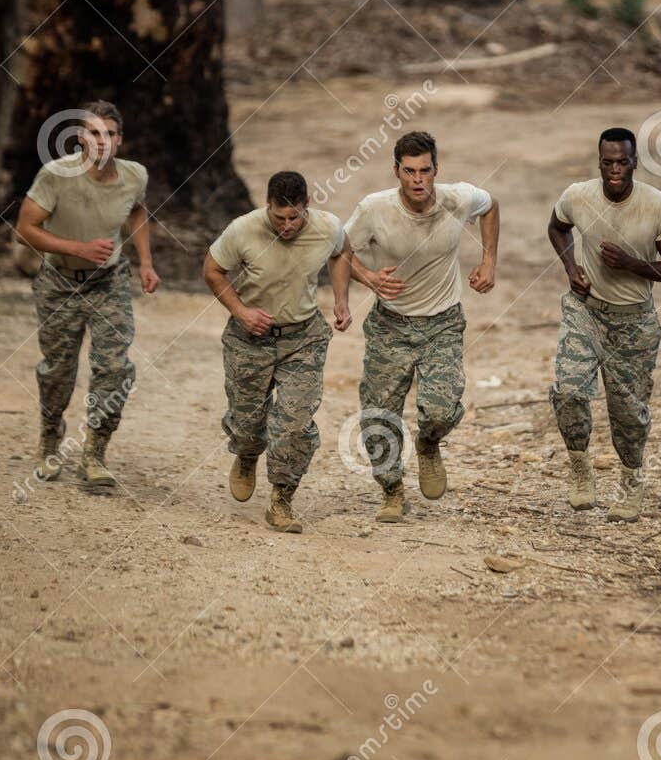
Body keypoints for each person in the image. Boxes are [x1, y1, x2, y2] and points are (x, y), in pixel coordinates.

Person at [344, 131, 499, 523]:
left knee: (441, 410)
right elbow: (338, 249)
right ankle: (392, 492)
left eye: (425, 171)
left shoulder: (457, 199)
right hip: (390, 325)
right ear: (396, 171)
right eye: (409, 171)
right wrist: (368, 278)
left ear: (436, 170)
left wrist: (488, 260)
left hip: (442, 323)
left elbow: (491, 205)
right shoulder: (373, 208)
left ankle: (428, 443)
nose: (418, 179)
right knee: (378, 416)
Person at [15, 101, 158, 488]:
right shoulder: (56, 175)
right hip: (59, 282)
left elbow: (137, 211)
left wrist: (146, 262)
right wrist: (77, 248)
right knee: (58, 370)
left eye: (110, 134)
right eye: (94, 133)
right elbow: (25, 229)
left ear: (120, 140)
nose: (102, 141)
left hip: (109, 281)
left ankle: (94, 452)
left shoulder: (134, 175)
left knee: (114, 368)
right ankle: (50, 435)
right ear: (80, 138)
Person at [546, 127, 661, 521]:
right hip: (585, 310)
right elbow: (557, 226)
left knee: (628, 412)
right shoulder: (578, 196)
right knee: (569, 390)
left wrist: (632, 264)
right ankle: (580, 467)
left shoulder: (659, 206)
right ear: (599, 162)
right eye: (607, 163)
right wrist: (571, 267)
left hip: (634, 320)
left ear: (635, 162)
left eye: (622, 162)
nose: (615, 170)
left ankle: (629, 481)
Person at [204, 171, 352, 533]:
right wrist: (241, 311)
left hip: (303, 338)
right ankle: (247, 452)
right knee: (248, 422)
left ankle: (282, 499)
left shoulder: (327, 227)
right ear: (267, 205)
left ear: (307, 206)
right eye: (279, 217)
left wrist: (341, 301)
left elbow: (343, 253)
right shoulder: (243, 230)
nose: (287, 225)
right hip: (249, 339)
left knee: (294, 423)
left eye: (294, 217)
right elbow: (212, 270)